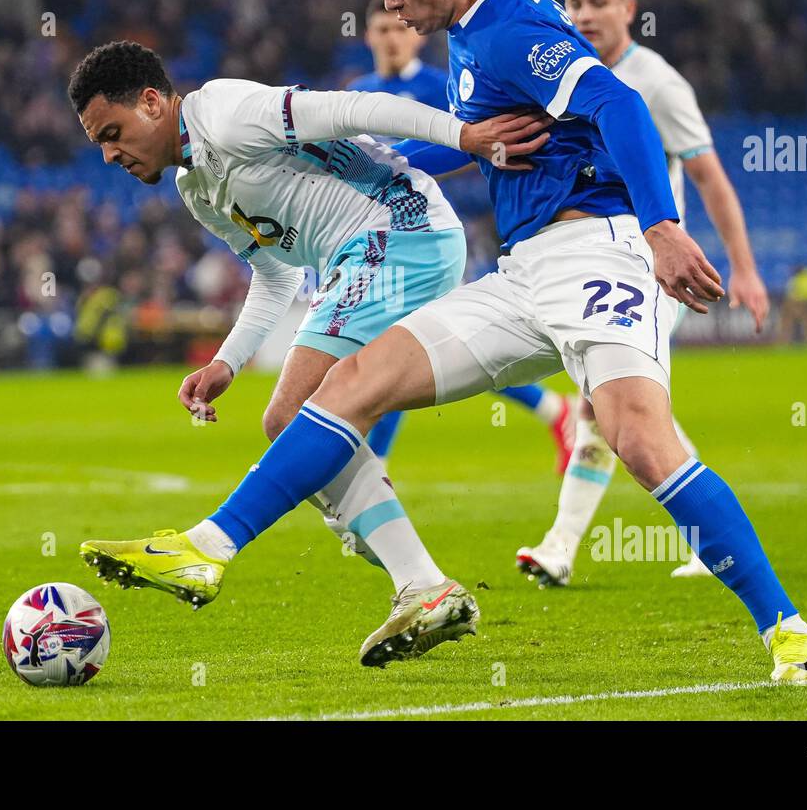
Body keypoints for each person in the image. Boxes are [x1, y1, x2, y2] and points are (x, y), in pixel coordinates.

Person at [79, 0, 807, 682]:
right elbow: (472, 145)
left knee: (641, 440)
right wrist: (382, 161)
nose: (390, 5)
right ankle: (214, 549)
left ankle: (788, 630)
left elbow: (619, 104)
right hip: (523, 273)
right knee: (347, 386)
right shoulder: (470, 39)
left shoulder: (507, 26)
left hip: (599, 254)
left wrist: (661, 226)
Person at [67, 39, 550, 664]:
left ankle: (209, 547)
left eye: (113, 132)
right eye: (98, 143)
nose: (109, 154)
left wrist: (467, 139)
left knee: (293, 417)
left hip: (398, 232)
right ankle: (425, 588)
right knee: (302, 422)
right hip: (365, 254)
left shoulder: (227, 112)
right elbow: (275, 274)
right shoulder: (196, 188)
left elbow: (356, 108)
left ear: (154, 102)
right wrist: (228, 360)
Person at [515, 0, 772, 586]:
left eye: (598, 2)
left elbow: (709, 176)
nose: (583, 16)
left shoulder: (655, 83)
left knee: (604, 408)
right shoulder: (556, 72)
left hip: (652, 265)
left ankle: (561, 547)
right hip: (584, 258)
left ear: (628, 10)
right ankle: (699, 540)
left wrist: (744, 267)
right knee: (617, 410)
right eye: (573, 3)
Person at [348, 0, 574, 467]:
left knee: (403, 342)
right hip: (376, 233)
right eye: (380, 30)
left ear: (414, 34)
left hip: (436, 233)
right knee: (424, 342)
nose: (391, 37)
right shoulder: (356, 93)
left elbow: (471, 150)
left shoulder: (440, 85)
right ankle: (556, 410)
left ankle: (377, 467)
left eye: (397, 28)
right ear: (368, 36)